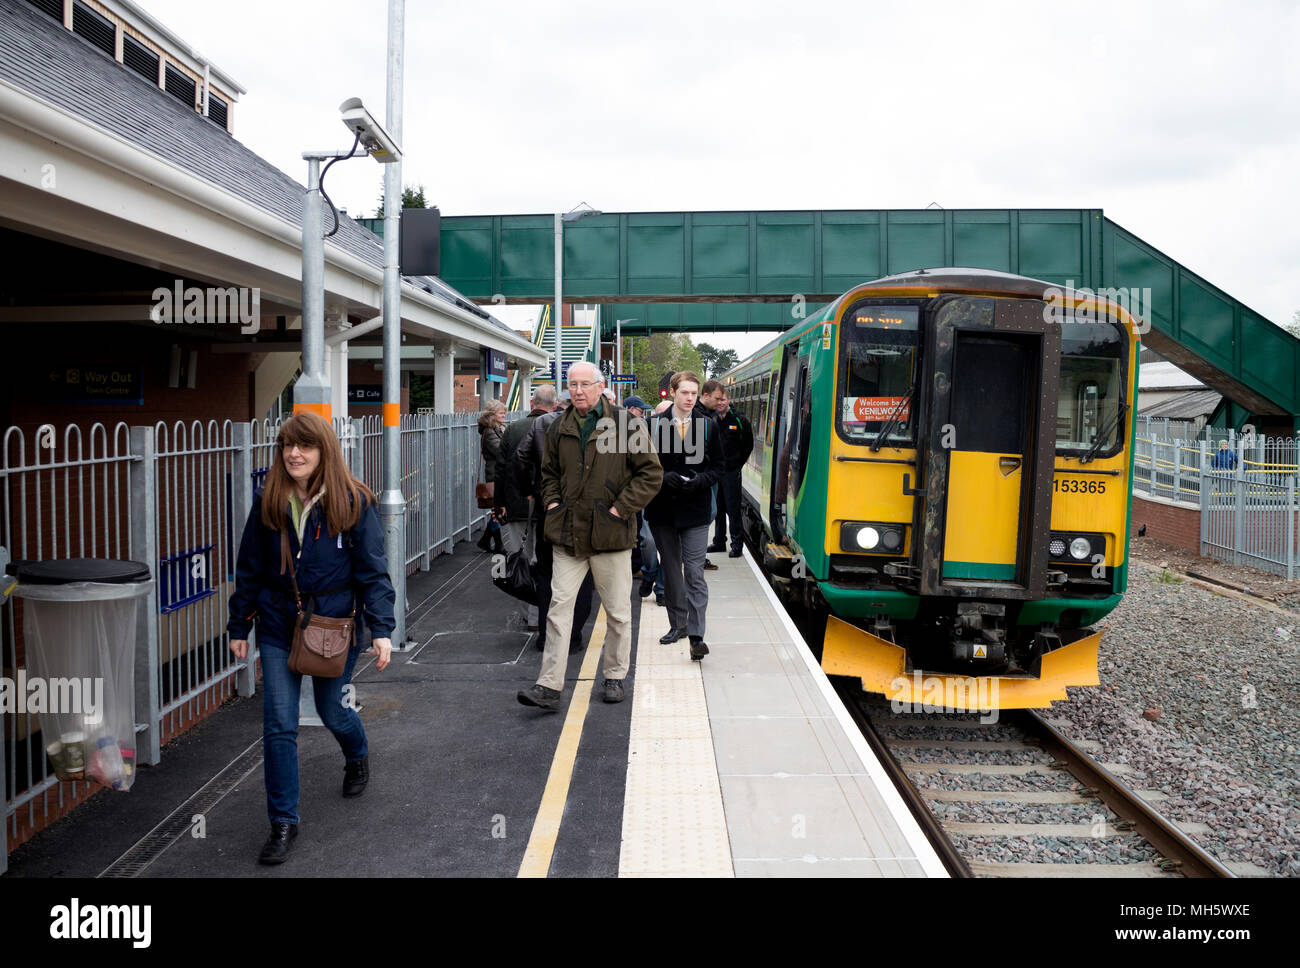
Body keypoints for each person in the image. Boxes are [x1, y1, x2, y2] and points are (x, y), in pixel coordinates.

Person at [227, 411, 395, 865]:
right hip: (280, 623)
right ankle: (283, 822)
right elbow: (249, 568)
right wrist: (239, 625)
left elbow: (373, 571)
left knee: (331, 711)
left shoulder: (354, 501)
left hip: (333, 627)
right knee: (279, 724)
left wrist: (382, 629)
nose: (294, 453)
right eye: (287, 445)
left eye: (304, 445)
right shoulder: (269, 500)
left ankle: (356, 753)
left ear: (324, 451)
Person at [518, 362, 663, 709]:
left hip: (610, 535)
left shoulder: (627, 424)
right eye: (573, 385)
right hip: (568, 534)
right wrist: (552, 503)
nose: (578, 391)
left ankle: (614, 676)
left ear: (600, 387)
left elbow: (650, 474)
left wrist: (620, 509)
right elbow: (548, 472)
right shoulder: (559, 426)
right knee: (557, 609)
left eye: (585, 384)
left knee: (617, 612)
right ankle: (549, 686)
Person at [645, 370, 726, 660]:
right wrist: (663, 477)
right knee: (671, 570)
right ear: (673, 393)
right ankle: (677, 625)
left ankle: (696, 636)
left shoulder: (709, 426)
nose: (690, 398)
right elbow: (641, 466)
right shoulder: (652, 425)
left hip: (695, 509)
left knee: (693, 572)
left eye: (694, 393)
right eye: (685, 393)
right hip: (662, 510)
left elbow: (719, 466)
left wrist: (701, 482)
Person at [518, 389, 598, 655]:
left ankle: (546, 636)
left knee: (547, 575)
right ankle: (572, 636)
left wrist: (532, 489)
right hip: (582, 513)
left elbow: (520, 458)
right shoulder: (596, 426)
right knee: (583, 577)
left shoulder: (541, 423)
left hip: (547, 509)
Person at [495, 386, 557, 560]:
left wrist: (499, 503)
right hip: (548, 503)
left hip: (517, 502)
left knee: (519, 556)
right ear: (554, 405)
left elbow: (501, 469)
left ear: (531, 403)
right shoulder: (559, 427)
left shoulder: (513, 429)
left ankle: (524, 584)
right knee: (545, 558)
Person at [703, 384, 754, 558]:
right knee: (717, 508)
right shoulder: (712, 418)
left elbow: (748, 445)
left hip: (731, 472)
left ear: (729, 400)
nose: (720, 403)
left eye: (723, 400)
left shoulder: (739, 420)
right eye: (718, 400)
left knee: (733, 509)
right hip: (715, 472)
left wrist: (737, 465)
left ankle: (737, 545)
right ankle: (719, 542)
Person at [624, 396, 666, 606]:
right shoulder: (638, 433)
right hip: (646, 497)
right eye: (662, 416)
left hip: (671, 499)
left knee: (668, 548)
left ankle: (661, 589)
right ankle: (650, 573)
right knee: (648, 542)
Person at [477, 401, 507, 554]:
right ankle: (499, 544)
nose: (504, 415)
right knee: (496, 510)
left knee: (497, 509)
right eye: (501, 413)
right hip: (495, 475)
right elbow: (500, 450)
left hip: (499, 474)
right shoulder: (489, 432)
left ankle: (485, 540)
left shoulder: (497, 429)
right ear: (492, 415)